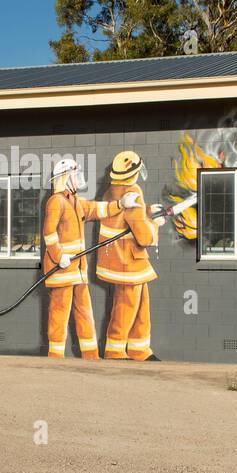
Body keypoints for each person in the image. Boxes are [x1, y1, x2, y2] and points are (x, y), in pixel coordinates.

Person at [42, 158, 136, 359]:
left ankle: (90, 354)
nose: (77, 178)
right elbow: (49, 234)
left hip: (77, 269)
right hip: (62, 270)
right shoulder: (55, 202)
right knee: (60, 312)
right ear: (65, 177)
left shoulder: (76, 202)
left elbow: (97, 209)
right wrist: (59, 257)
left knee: (84, 311)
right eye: (74, 174)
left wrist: (121, 204)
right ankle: (55, 355)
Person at [95, 150, 164, 361]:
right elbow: (142, 236)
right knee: (127, 304)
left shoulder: (112, 191)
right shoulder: (133, 192)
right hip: (128, 260)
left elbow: (128, 215)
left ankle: (139, 348)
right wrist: (155, 223)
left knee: (140, 302)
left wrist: (149, 209)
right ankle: (115, 349)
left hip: (117, 258)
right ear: (133, 172)